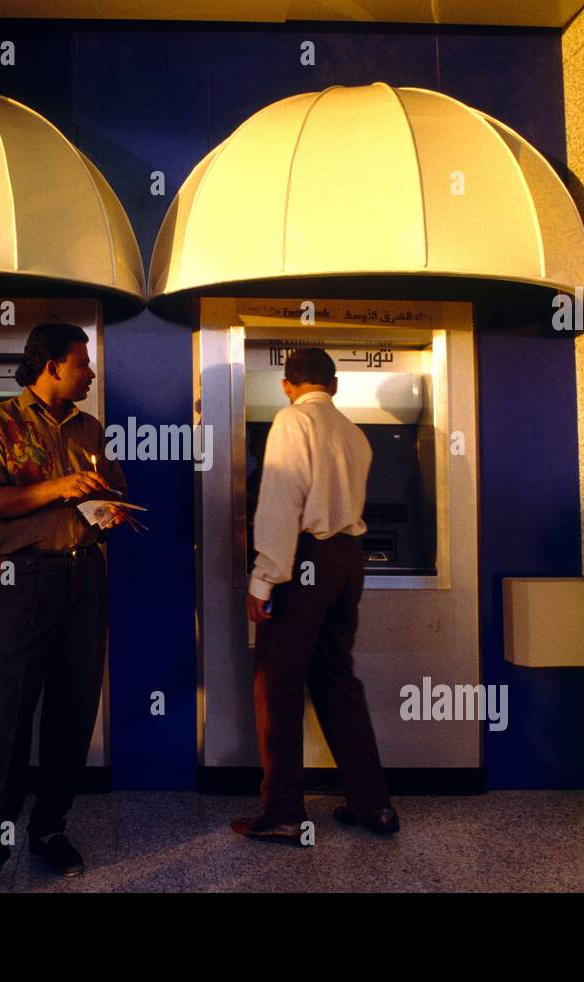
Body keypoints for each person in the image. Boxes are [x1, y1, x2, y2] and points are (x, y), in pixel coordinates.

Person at [0, 322, 127, 894]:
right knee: (9, 714)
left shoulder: (90, 429)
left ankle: (49, 830)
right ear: (51, 365)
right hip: (24, 578)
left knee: (74, 712)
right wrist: (60, 487)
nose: (91, 373)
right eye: (82, 363)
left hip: (86, 574)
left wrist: (110, 512)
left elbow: (107, 494)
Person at [234, 347, 398, 846]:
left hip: (305, 559)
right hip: (349, 561)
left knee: (277, 687)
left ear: (288, 384)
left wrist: (264, 578)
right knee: (336, 680)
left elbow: (283, 503)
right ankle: (374, 805)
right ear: (335, 386)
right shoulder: (354, 433)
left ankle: (283, 812)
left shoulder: (291, 421)